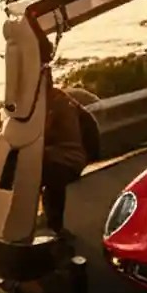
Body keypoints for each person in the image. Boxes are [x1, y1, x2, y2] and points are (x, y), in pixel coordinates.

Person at [42, 72, 88, 237]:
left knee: (30, 172)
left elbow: (37, 135)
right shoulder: (61, 97)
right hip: (73, 157)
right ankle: (54, 226)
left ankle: (53, 228)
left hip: (64, 160)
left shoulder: (48, 103)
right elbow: (88, 121)